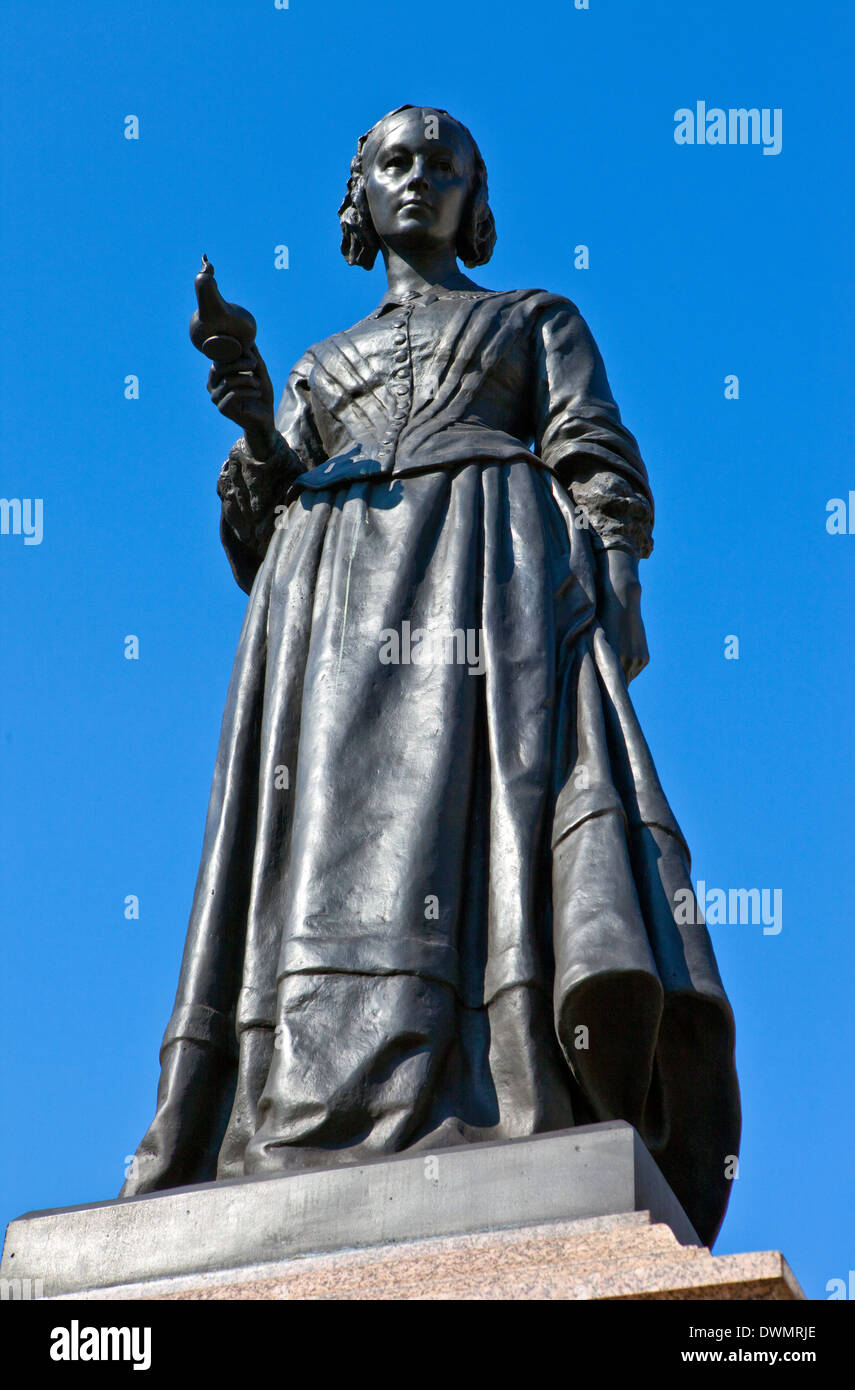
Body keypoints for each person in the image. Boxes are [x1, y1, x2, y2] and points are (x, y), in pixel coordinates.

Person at [122, 105, 740, 1247]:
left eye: (441, 166)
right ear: (356, 195)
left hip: (485, 589)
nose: (417, 181)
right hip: (328, 619)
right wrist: (261, 427)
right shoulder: (319, 365)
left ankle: (501, 1093)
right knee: (315, 863)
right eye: (393, 164)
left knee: (480, 833)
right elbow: (257, 547)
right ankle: (288, 1113)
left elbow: (595, 461)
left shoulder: (532, 318)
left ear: (474, 195)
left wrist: (612, 594)